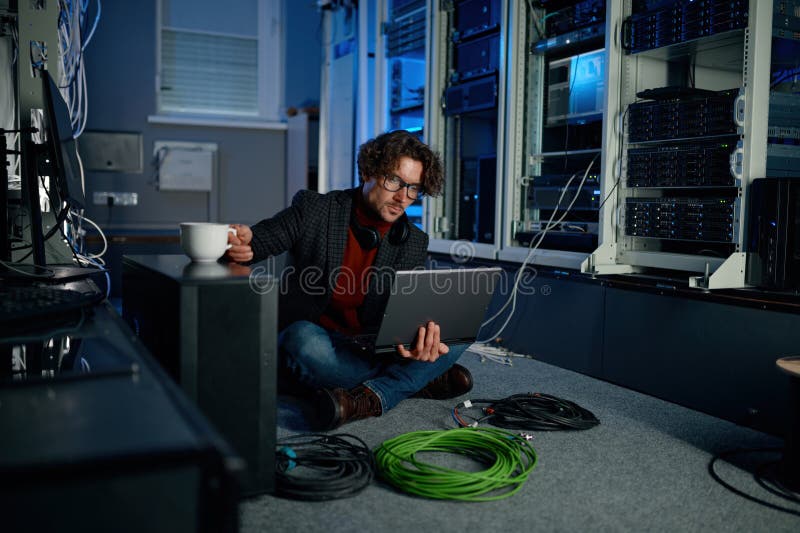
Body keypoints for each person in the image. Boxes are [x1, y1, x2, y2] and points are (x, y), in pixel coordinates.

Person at [225, 130, 473, 429]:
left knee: (462, 327)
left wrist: (420, 338)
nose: (402, 198)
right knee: (301, 341)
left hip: (369, 348)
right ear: (367, 171)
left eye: (413, 189)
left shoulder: (413, 240)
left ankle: (370, 396)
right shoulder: (315, 209)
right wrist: (247, 242)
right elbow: (262, 240)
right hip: (319, 343)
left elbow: (400, 312)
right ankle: (413, 383)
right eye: (393, 181)